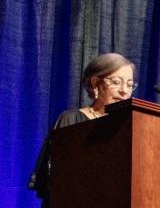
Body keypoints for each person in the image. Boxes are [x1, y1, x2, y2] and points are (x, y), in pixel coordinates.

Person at [29, 52, 137, 198]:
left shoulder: (131, 128)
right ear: (95, 83)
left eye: (130, 85)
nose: (124, 91)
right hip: (73, 207)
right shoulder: (71, 119)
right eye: (116, 82)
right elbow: (56, 174)